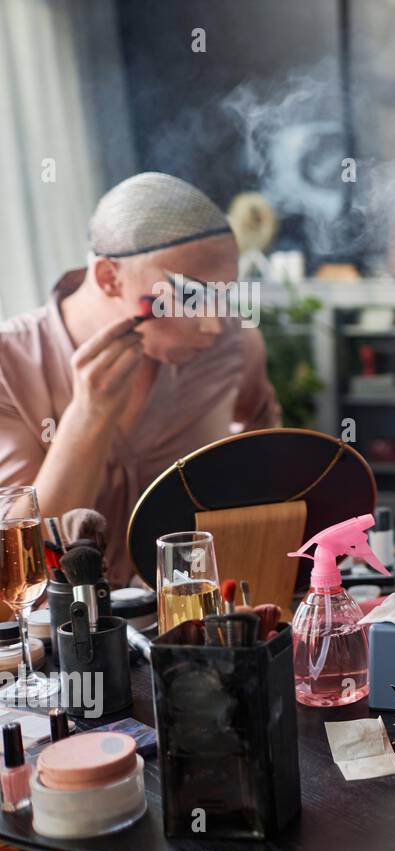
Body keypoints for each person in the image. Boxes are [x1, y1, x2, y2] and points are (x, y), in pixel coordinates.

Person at [0, 173, 279, 585]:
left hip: (197, 628)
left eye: (223, 295)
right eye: (190, 296)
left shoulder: (235, 347)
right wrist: (88, 418)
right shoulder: (10, 364)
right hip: (60, 639)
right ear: (109, 278)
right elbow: (19, 573)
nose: (213, 326)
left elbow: (268, 469)